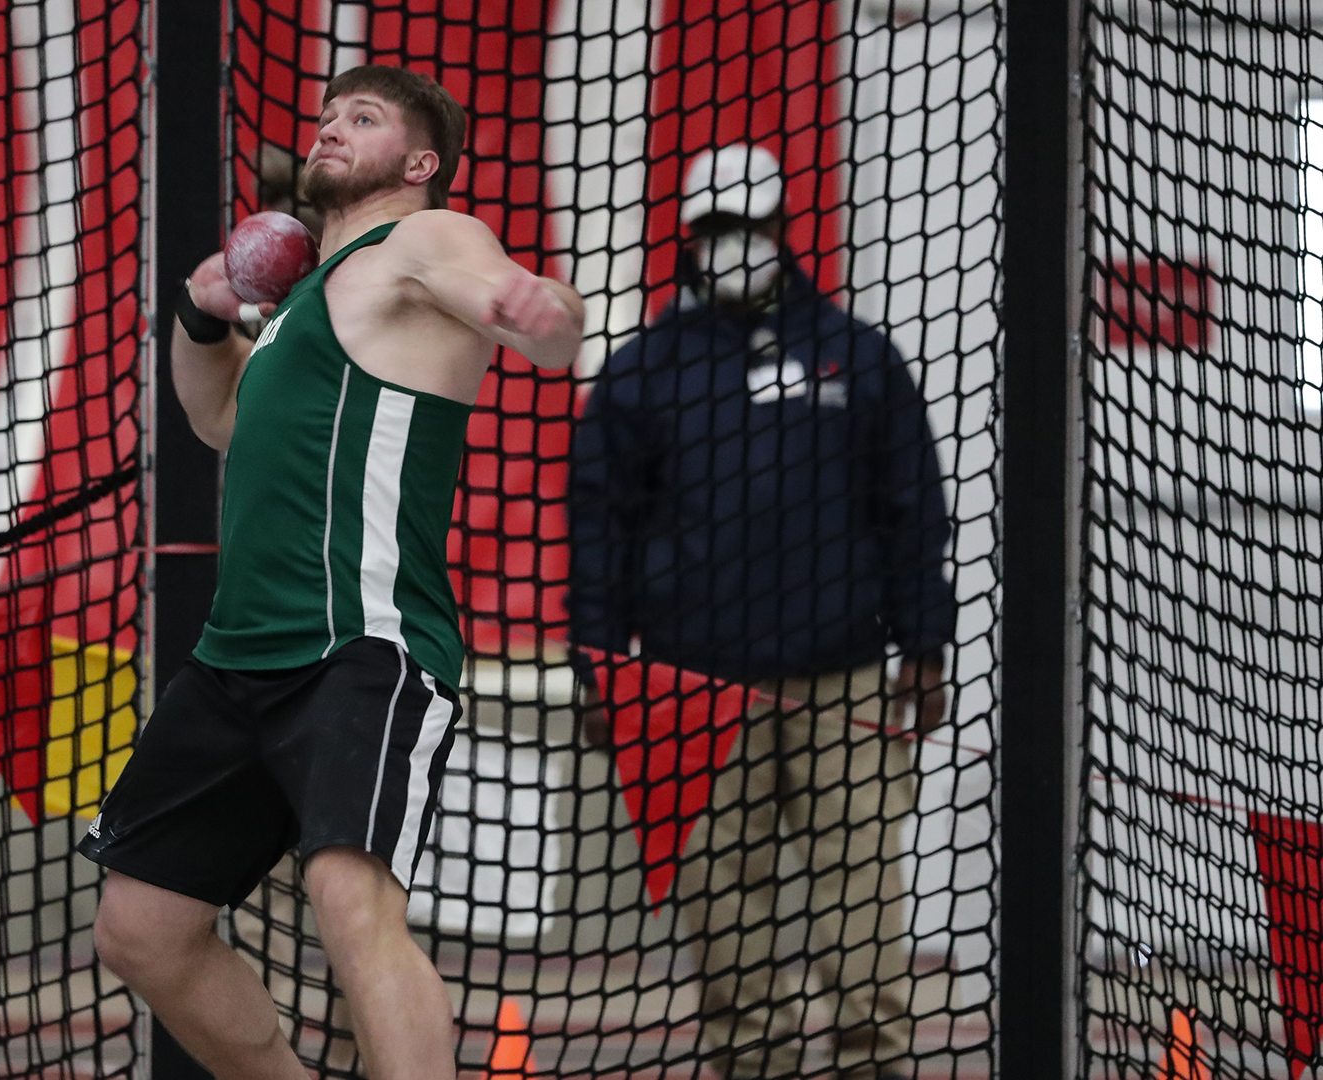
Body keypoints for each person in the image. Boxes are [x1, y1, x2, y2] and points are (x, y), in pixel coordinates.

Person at [78, 64, 583, 1080]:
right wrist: (201, 313)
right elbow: (213, 418)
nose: (329, 131)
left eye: (363, 118)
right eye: (325, 118)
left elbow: (532, 320)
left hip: (361, 643)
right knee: (140, 928)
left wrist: (537, 309)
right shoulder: (306, 298)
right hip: (238, 658)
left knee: (352, 903)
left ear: (421, 161)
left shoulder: (424, 239)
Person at [568, 143, 955, 1080]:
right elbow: (598, 532)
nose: (735, 245)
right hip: (691, 686)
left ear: (785, 228)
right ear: (690, 240)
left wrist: (926, 646)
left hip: (845, 675)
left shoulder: (858, 356)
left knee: (859, 888)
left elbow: (911, 508)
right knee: (717, 895)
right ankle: (757, 1064)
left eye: (751, 226)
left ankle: (874, 1063)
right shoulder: (643, 371)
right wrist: (596, 670)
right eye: (716, 230)